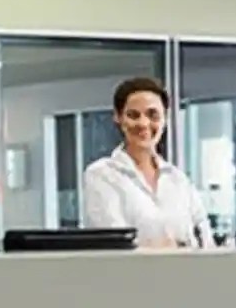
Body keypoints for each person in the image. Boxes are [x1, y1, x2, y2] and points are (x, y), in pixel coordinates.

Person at [82, 77, 224, 250]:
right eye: (133, 115)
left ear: (165, 119)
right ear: (118, 118)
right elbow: (115, 246)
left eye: (153, 115)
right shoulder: (102, 175)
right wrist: (178, 246)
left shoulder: (178, 180)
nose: (143, 123)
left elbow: (205, 242)